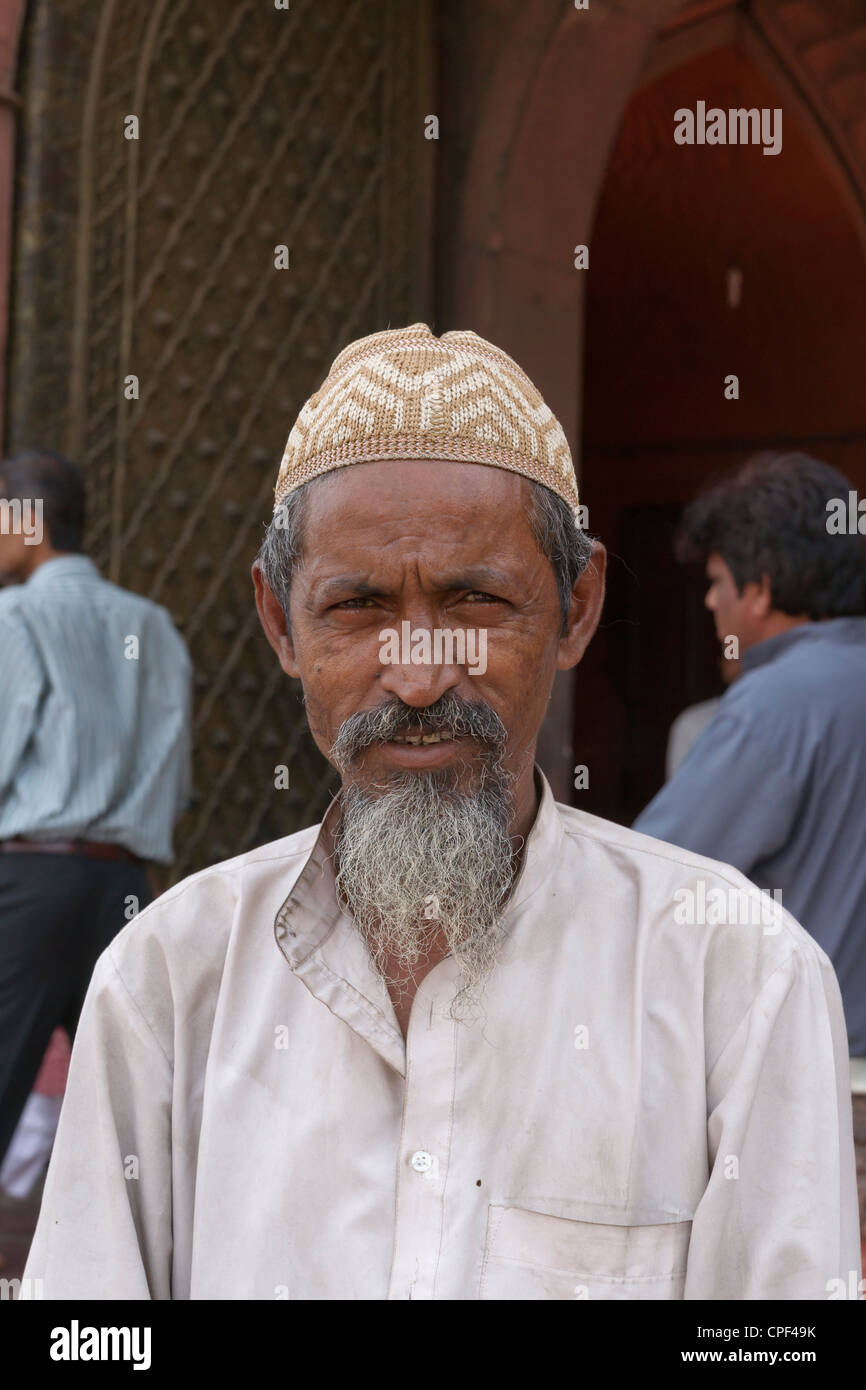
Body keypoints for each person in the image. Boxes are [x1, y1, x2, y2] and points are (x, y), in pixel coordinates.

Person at [23, 329, 859, 1300]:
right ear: (279, 623)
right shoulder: (164, 982)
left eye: (474, 600)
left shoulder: (741, 981)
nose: (417, 674)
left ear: (576, 608)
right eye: (357, 607)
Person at [634, 452, 866, 1063]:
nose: (710, 603)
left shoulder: (774, 703)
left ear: (759, 588)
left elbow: (650, 883)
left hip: (811, 1078)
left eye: (716, 582)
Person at [0, 449, 193, 1168]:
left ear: (27, 522)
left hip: (27, 882)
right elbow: (171, 770)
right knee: (137, 1114)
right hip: (123, 890)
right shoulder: (152, 625)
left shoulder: (13, 616)